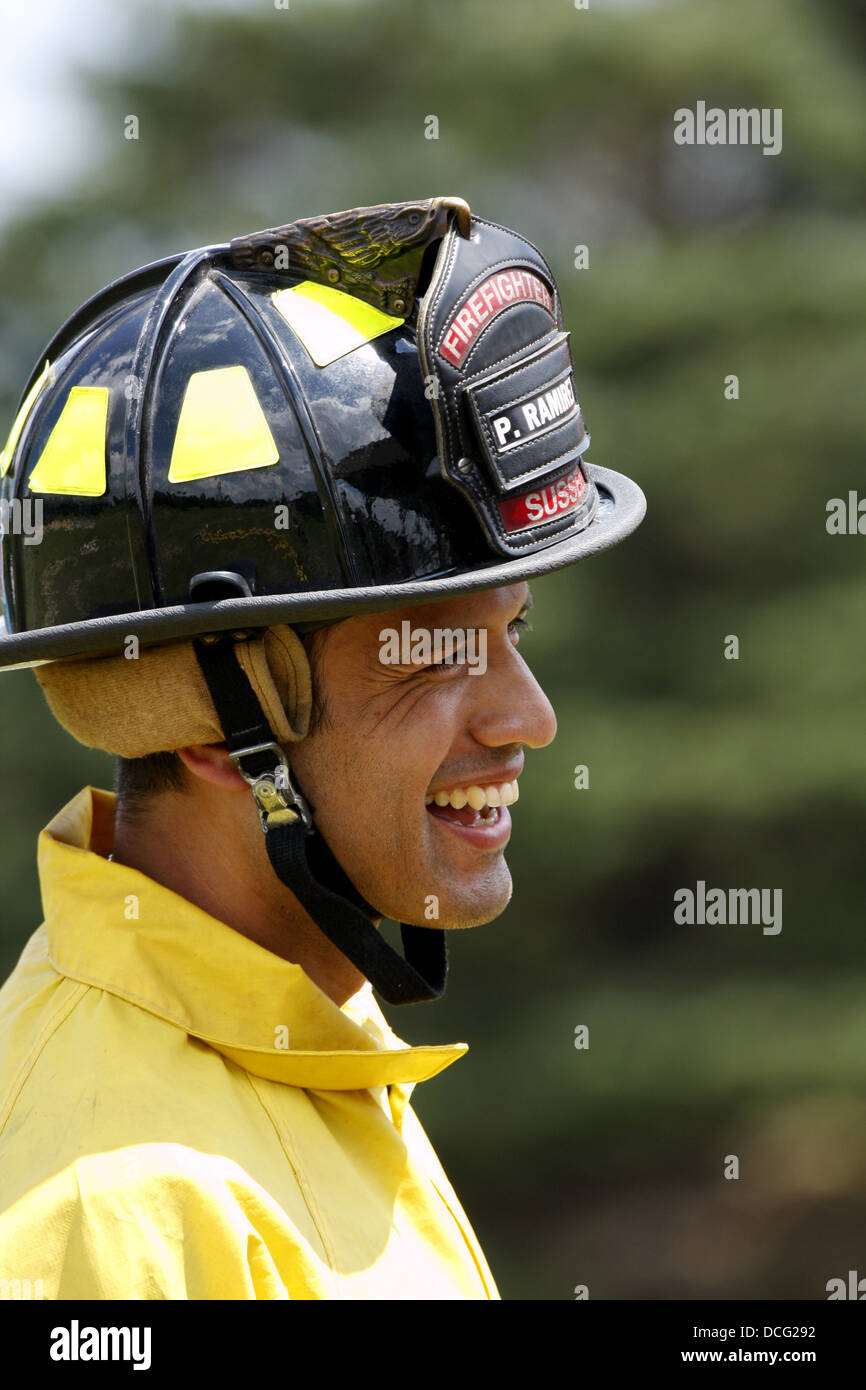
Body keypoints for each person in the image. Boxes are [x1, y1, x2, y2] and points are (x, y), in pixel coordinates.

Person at [0, 196, 645, 1299]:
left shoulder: (307, 1039)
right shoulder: (115, 1212)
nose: (527, 718)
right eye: (435, 655)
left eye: (510, 632)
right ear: (217, 718)